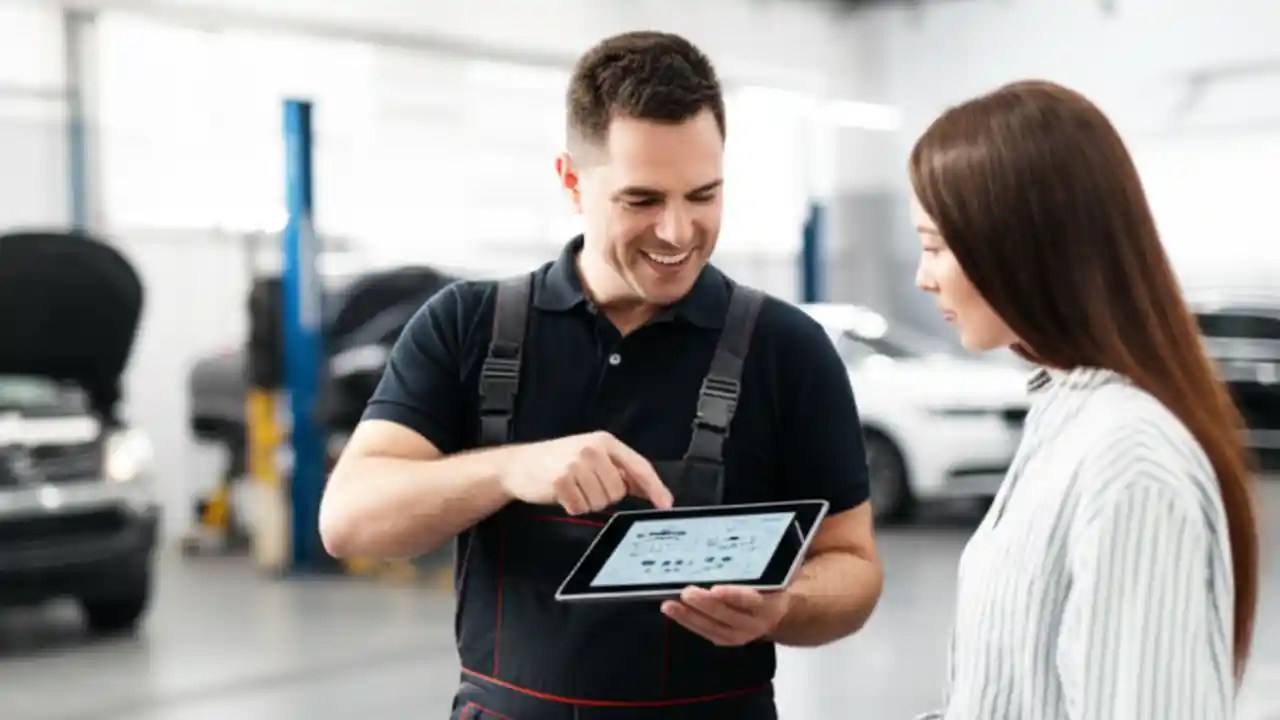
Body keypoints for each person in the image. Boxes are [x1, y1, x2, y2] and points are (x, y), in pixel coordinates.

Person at [319, 30, 884, 719]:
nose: (678, 233)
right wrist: (506, 470)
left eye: (703, 195)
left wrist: (786, 607)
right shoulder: (465, 327)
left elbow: (853, 565)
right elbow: (349, 521)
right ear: (571, 180)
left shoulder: (787, 350)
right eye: (641, 200)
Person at [907, 80, 1259, 719]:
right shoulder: (1064, 417)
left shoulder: (1128, 462)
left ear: (1017, 246)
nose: (922, 275)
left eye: (935, 246)